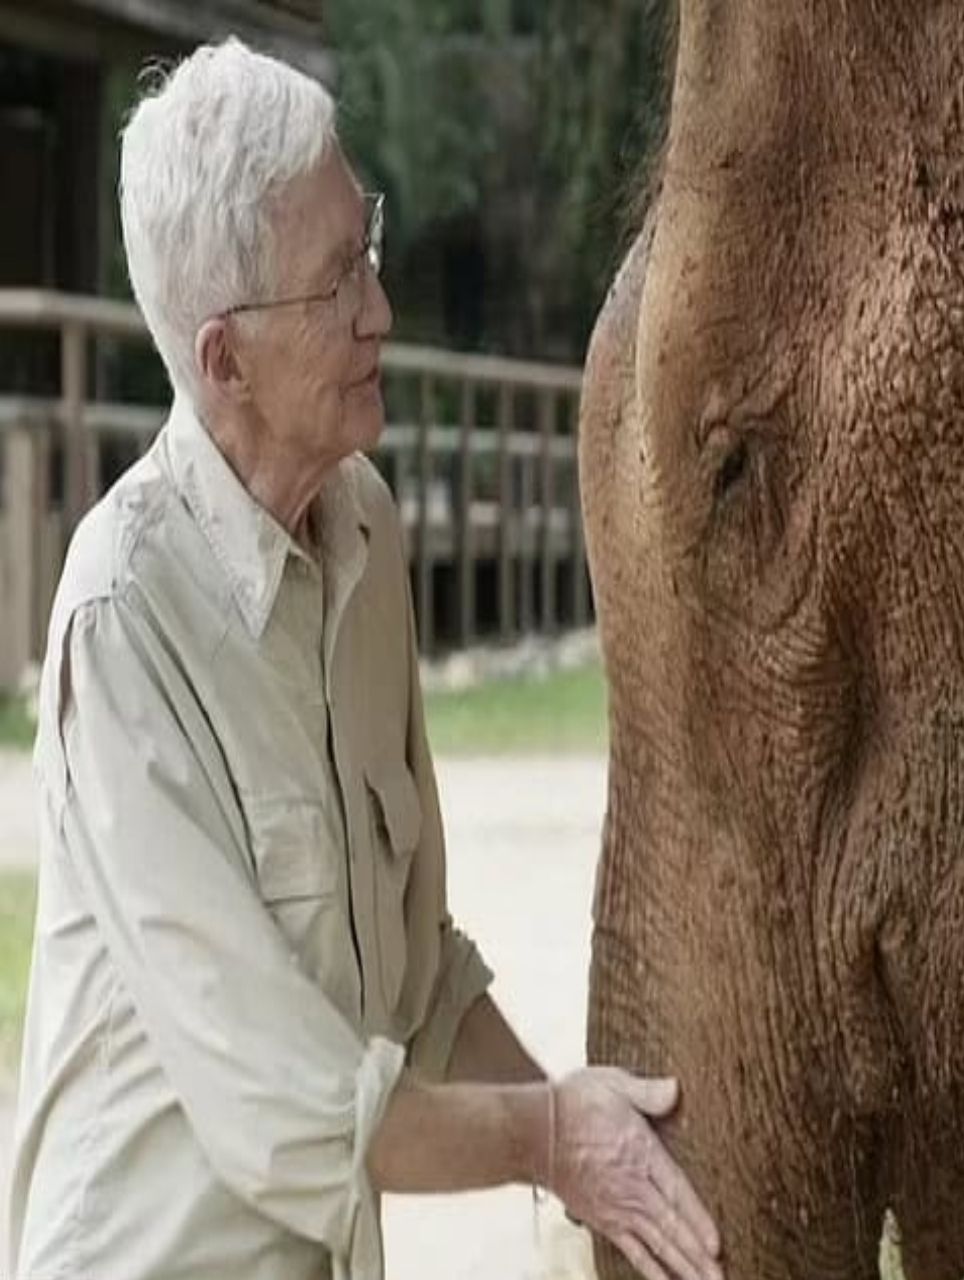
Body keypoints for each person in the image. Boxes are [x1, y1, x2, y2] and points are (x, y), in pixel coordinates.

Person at [7, 37, 721, 1280]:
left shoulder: (365, 527)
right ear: (221, 358)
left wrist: (599, 1147)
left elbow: (414, 964)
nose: (379, 309)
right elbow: (291, 1112)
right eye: (335, 280)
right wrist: (553, 1139)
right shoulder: (123, 616)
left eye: (367, 246)